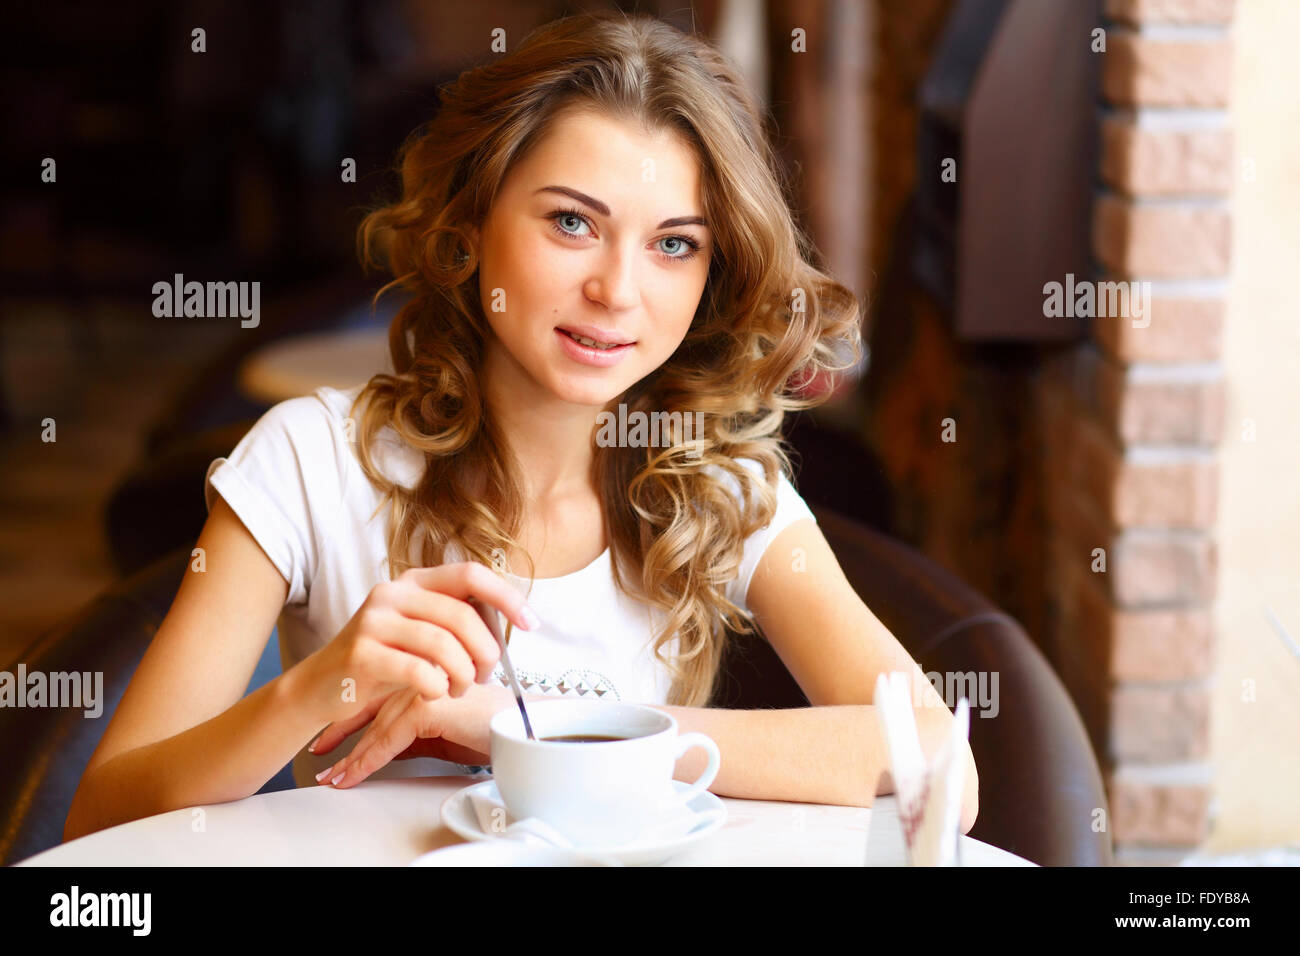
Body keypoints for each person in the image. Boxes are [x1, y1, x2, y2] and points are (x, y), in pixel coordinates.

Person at [64, 10, 977, 842]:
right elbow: (100, 819)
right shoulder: (310, 460)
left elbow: (939, 761)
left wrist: (553, 735)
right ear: (472, 222)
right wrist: (319, 684)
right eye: (572, 223)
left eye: (673, 243)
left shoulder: (722, 489)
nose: (617, 291)